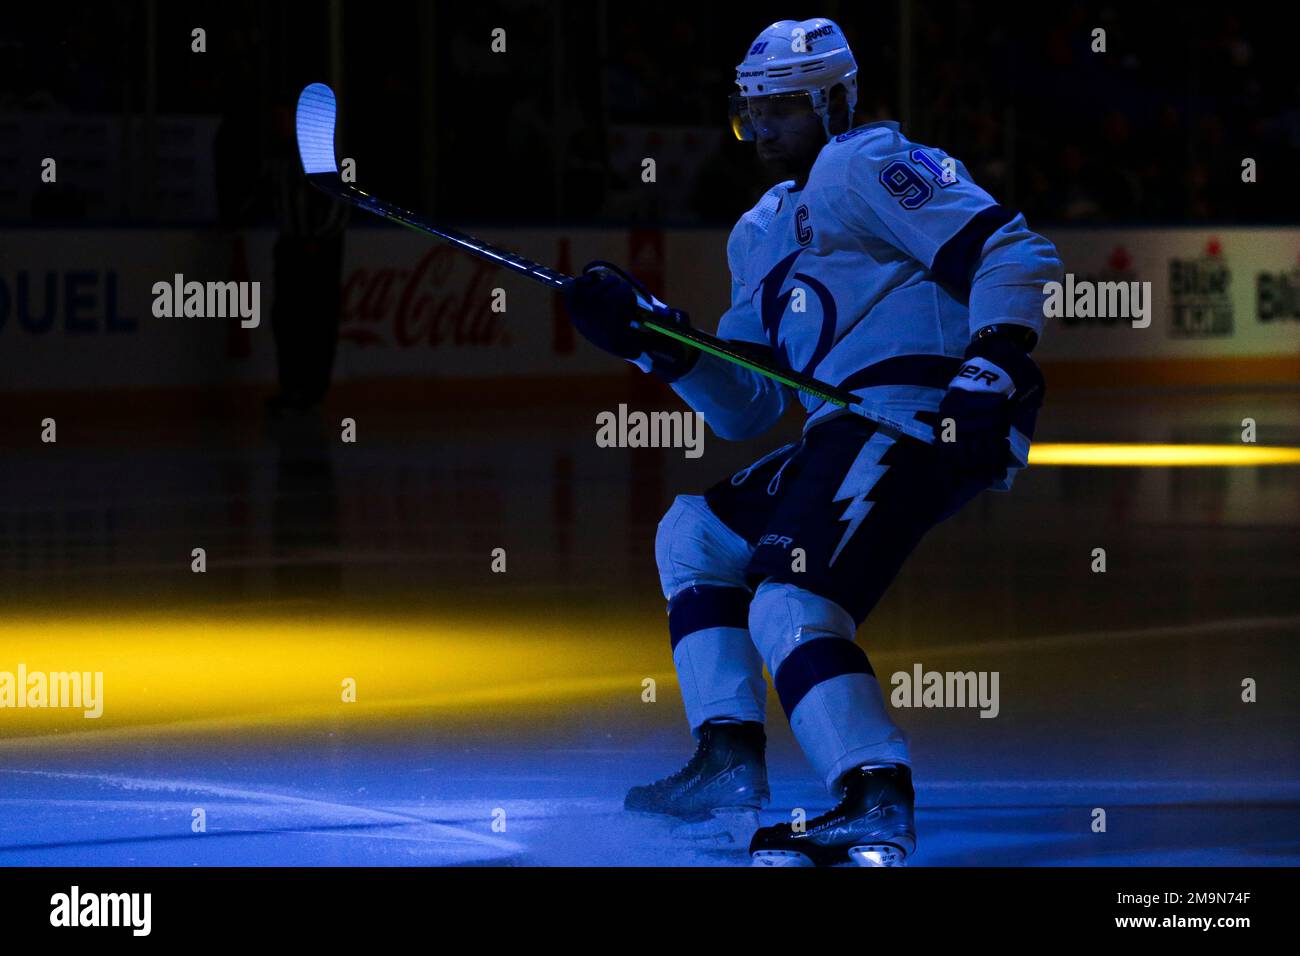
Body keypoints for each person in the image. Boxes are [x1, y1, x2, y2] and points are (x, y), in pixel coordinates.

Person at [563, 18, 1062, 866]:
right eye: (748, 113)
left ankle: (873, 797)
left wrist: (994, 361)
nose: (760, 130)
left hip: (914, 413)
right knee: (696, 534)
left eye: (782, 110)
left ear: (837, 101)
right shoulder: (757, 229)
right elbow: (748, 405)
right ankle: (728, 761)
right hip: (846, 423)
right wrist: (659, 343)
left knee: (787, 597)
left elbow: (1011, 248)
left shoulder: (864, 162)